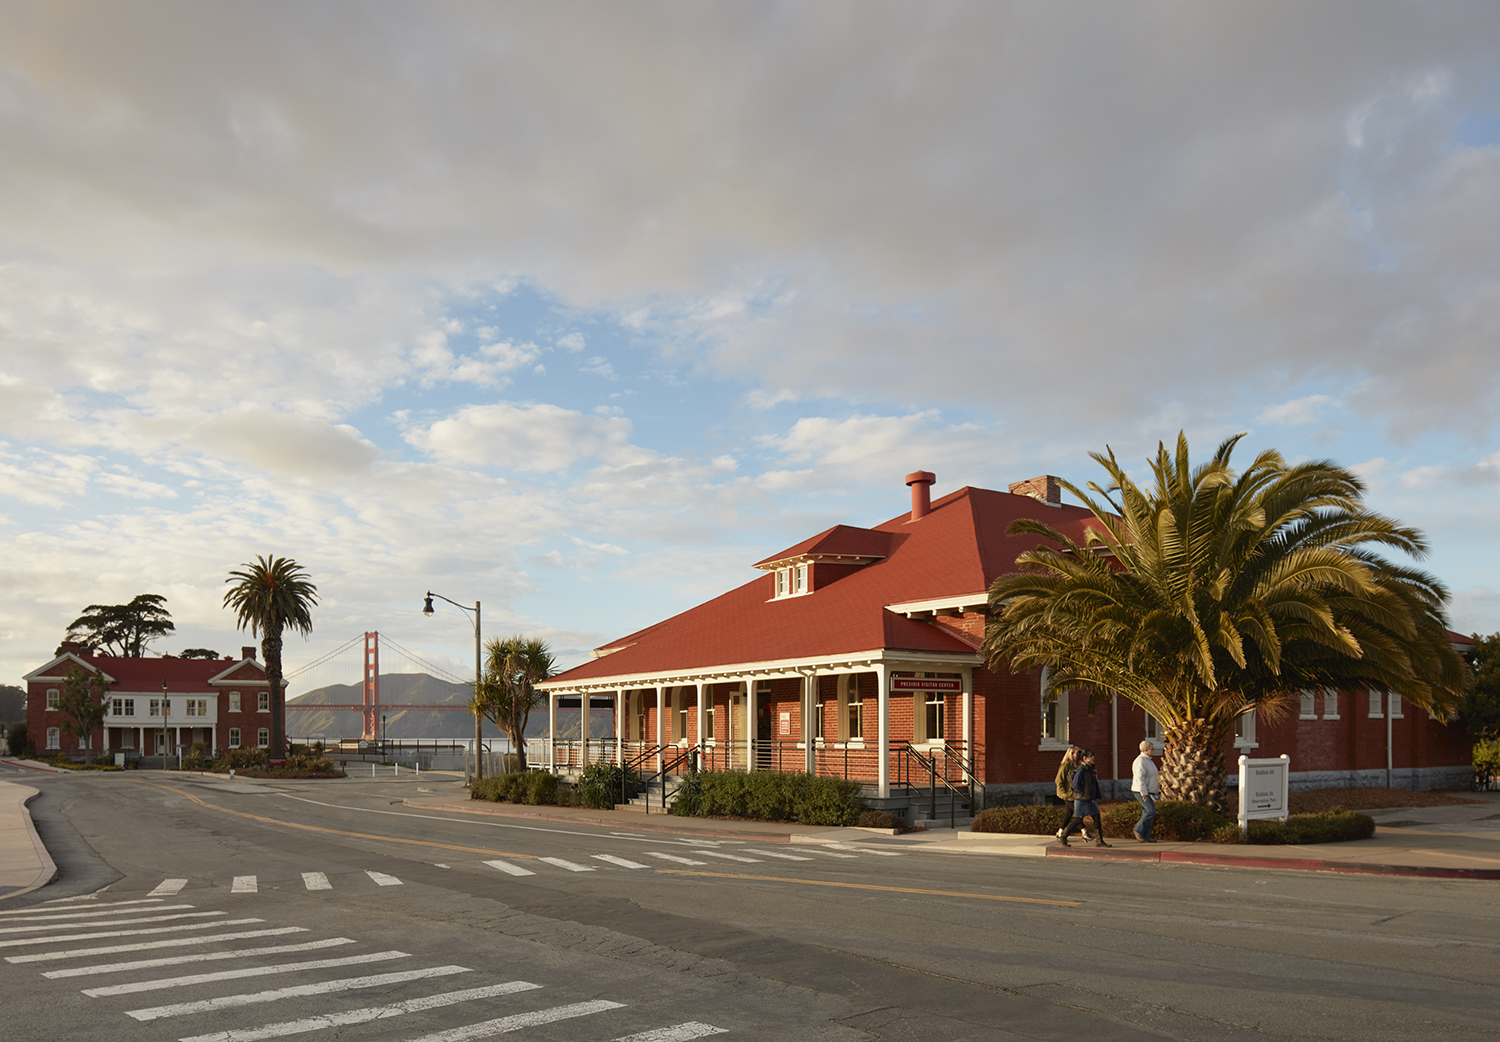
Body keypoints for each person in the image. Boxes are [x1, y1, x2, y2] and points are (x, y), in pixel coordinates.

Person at [1061, 748, 1110, 847]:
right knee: (1077, 820)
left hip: (1090, 798)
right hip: (1081, 799)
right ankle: (1063, 837)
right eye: (1091, 756)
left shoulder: (1090, 769)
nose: (1093, 758)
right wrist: (1083, 793)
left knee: (1096, 817)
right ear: (1085, 758)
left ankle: (1099, 841)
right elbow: (1076, 784)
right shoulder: (1081, 770)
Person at [1053, 746, 1093, 842]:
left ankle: (1060, 833)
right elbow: (1058, 780)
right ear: (1071, 754)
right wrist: (1064, 793)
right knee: (1078, 814)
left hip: (1075, 794)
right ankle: (1084, 832)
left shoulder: (1078, 764)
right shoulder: (1066, 765)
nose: (1079, 755)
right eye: (1077, 753)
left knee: (1069, 814)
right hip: (1067, 795)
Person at [1131, 739, 1160, 843]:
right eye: (1152, 749)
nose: (1153, 750)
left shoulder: (1148, 760)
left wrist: (1156, 790)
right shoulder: (1141, 761)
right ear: (1146, 750)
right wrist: (1144, 793)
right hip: (1140, 791)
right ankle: (1137, 830)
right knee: (1151, 811)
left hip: (1148, 791)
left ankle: (1146, 835)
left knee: (1146, 812)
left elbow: (1152, 777)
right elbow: (1140, 778)